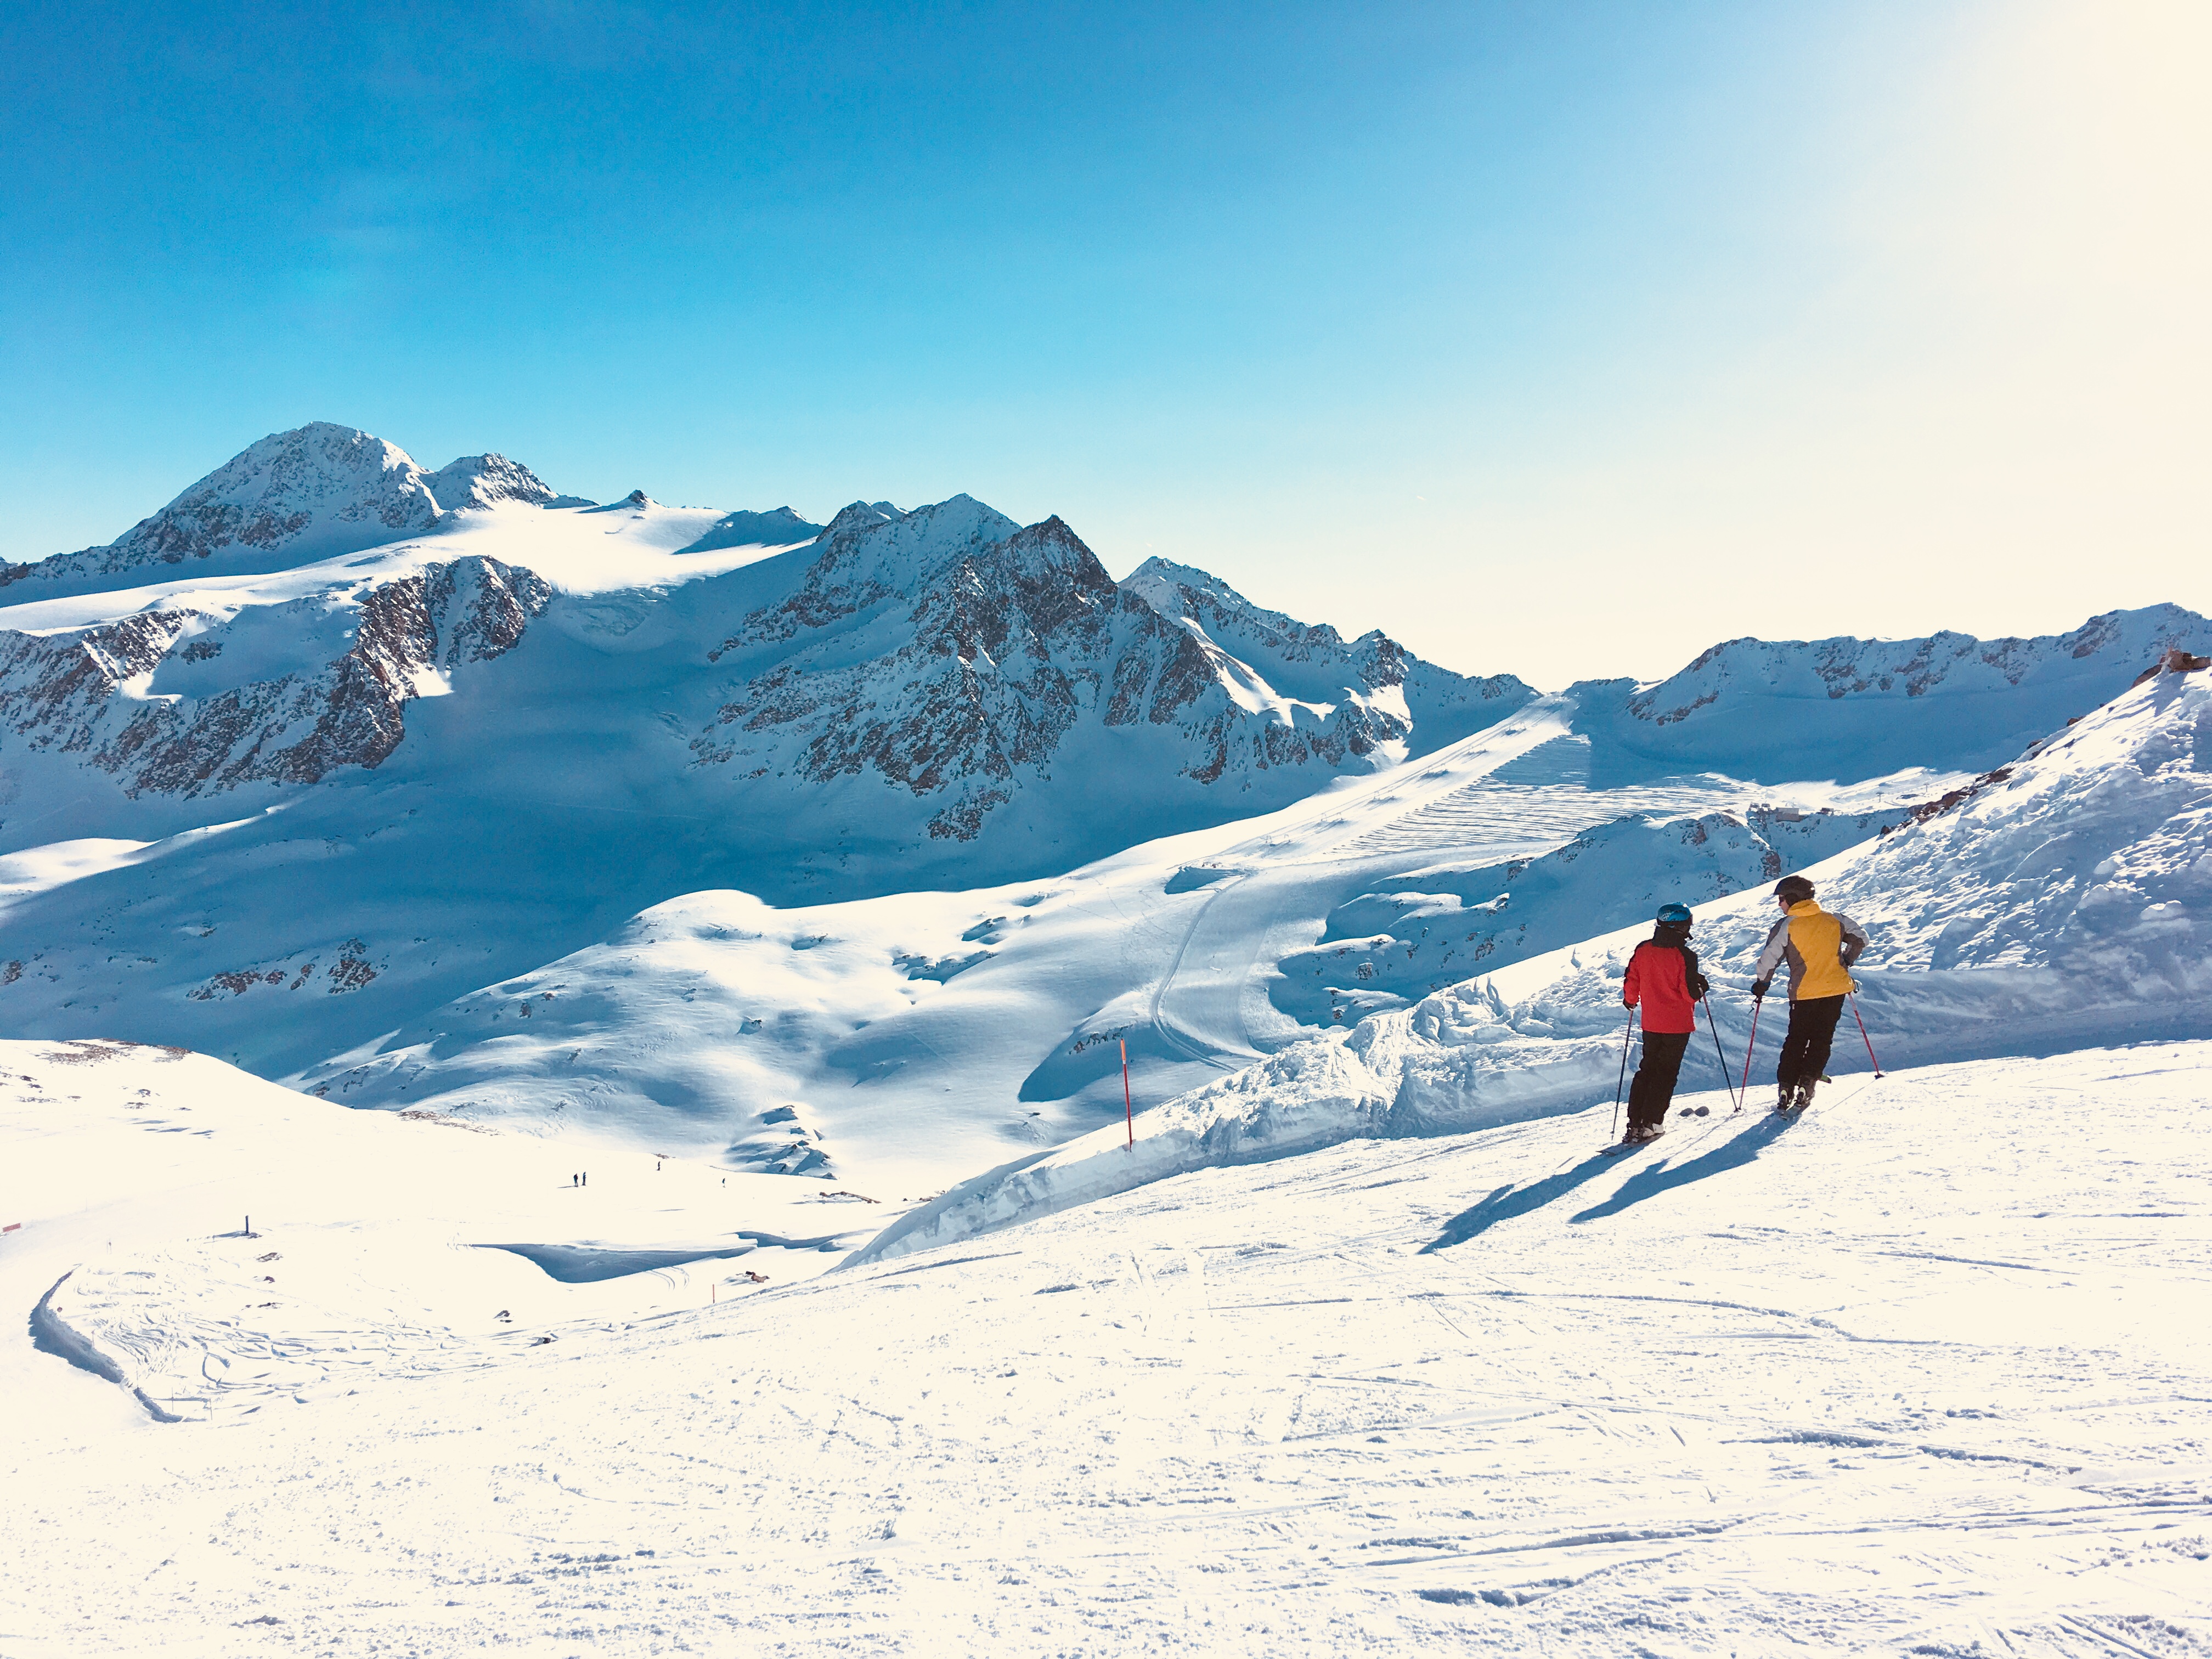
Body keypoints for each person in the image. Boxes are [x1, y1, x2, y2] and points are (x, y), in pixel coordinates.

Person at [1751, 875, 1869, 1113]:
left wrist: (1762, 984)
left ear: (1793, 899)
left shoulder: (1787, 926)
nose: (1779, 904)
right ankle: (1808, 1082)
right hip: (1835, 989)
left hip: (1804, 994)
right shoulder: (1835, 920)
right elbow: (1861, 939)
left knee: (1796, 1039)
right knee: (1822, 1038)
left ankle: (1786, 1087)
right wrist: (1846, 960)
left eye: (1782, 899)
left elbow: (1768, 960)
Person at [1620, 902, 1710, 1143]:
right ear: (1680, 927)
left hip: (1651, 1022)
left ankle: (1635, 1123)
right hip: (1677, 1024)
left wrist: (1630, 1001)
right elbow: (1689, 993)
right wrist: (1702, 985)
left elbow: (1632, 979)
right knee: (1665, 1074)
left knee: (1647, 1070)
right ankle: (1652, 1123)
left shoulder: (1643, 950)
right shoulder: (1685, 956)